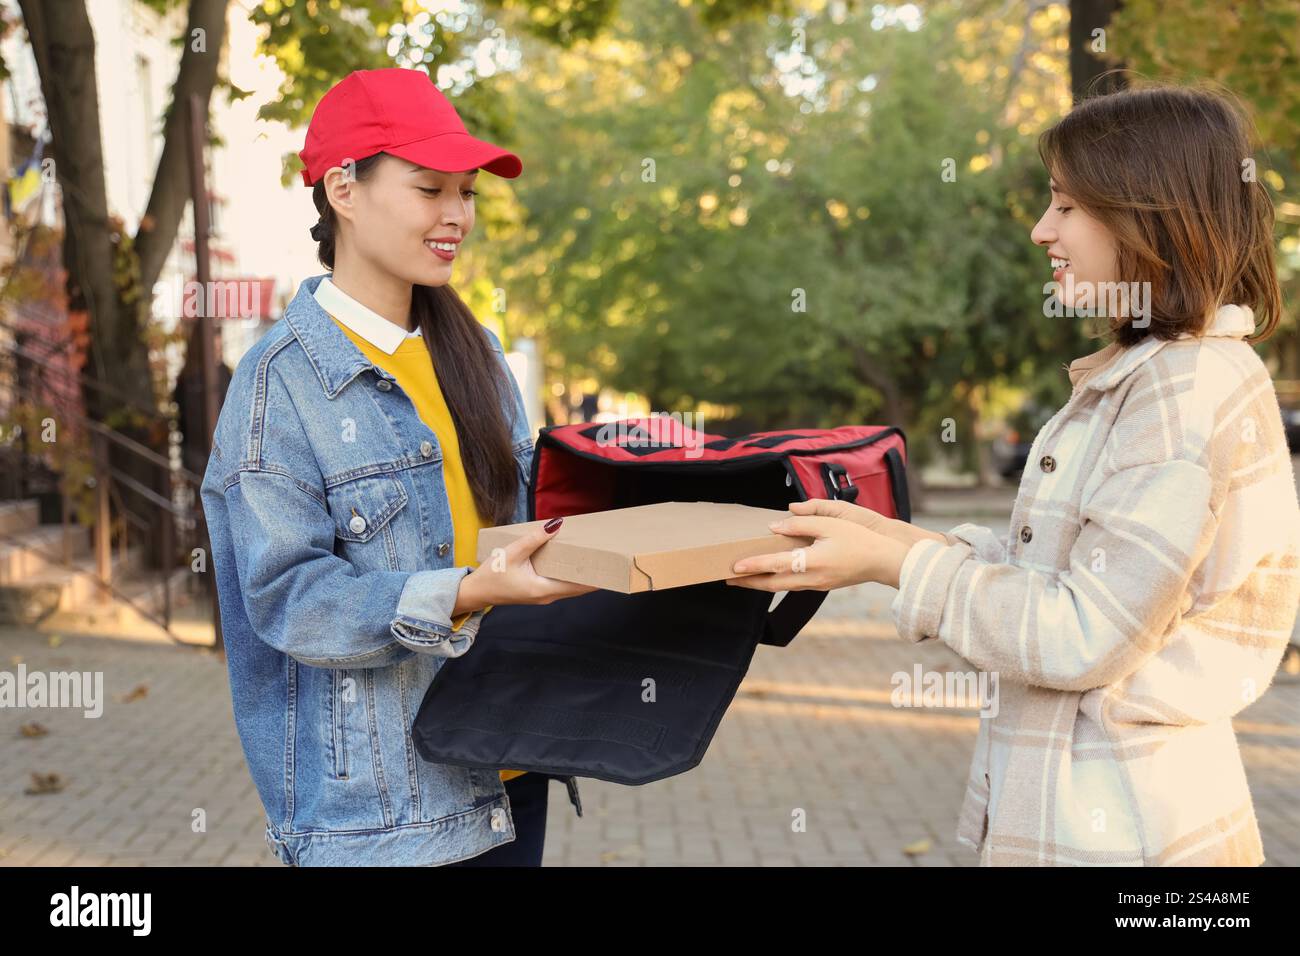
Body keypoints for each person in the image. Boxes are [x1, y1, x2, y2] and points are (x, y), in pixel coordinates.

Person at [728, 84, 1300, 866]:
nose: (1041, 231)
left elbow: (1083, 635)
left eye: (1066, 206)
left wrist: (900, 564)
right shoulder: (1153, 378)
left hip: (1124, 832)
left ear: (1148, 212)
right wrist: (894, 543)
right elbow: (1074, 585)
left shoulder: (1183, 390)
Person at [199, 68, 594, 867]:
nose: (457, 215)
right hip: (380, 810)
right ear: (343, 189)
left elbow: (517, 521)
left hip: (508, 764)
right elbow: (290, 599)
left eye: (467, 193)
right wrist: (467, 592)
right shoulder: (281, 384)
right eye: (429, 189)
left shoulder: (473, 352)